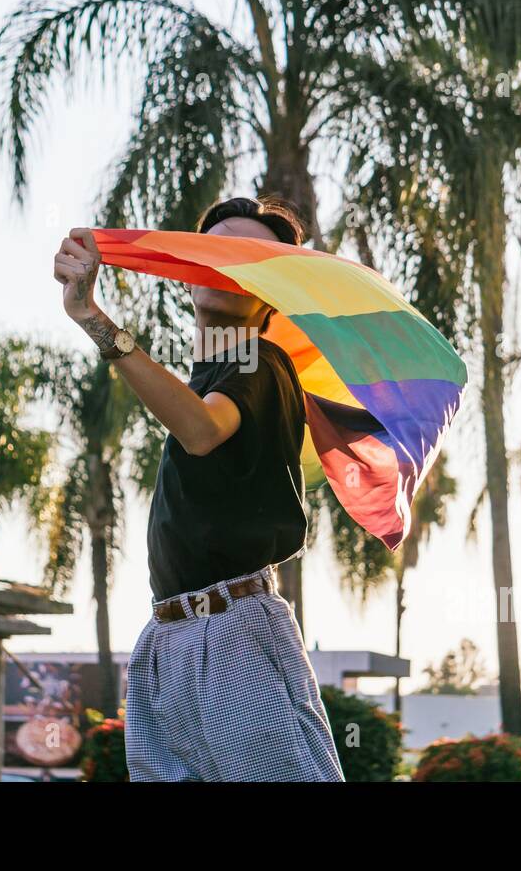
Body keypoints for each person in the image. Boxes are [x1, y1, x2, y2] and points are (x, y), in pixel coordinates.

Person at [52, 195, 344, 782]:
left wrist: (94, 319)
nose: (224, 266)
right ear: (188, 271)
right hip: (167, 639)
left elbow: (203, 430)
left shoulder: (261, 360)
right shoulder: (210, 372)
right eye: (213, 251)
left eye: (247, 257)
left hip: (235, 632)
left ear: (270, 290)